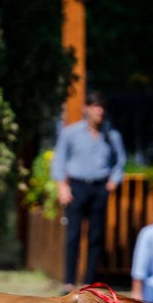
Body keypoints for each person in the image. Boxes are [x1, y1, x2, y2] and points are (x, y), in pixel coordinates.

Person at [52, 90, 126, 290]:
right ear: (87, 109)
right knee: (73, 235)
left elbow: (120, 163)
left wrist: (113, 182)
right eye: (95, 107)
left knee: (96, 236)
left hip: (99, 187)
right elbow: (59, 160)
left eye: (102, 107)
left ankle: (89, 282)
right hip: (77, 186)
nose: (99, 111)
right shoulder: (71, 133)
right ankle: (69, 281)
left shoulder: (112, 136)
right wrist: (62, 186)